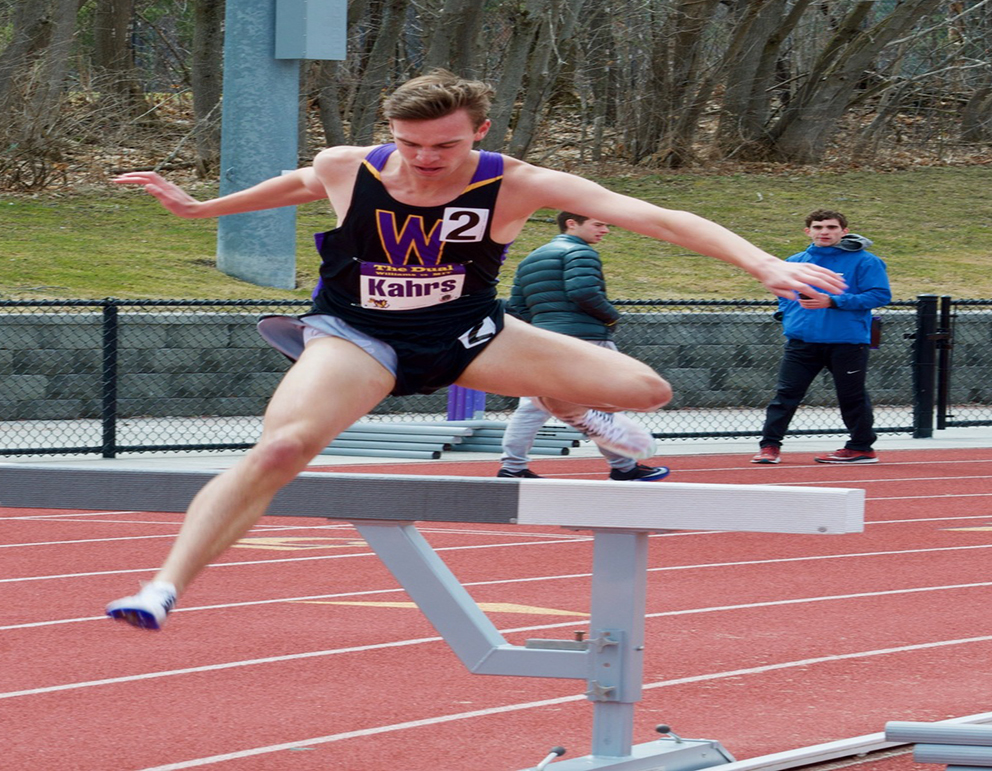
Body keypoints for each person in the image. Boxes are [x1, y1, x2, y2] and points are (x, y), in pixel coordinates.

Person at [106, 71, 844, 631]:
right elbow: (300, 181)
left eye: (446, 145)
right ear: (388, 132)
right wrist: (203, 207)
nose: (426, 159)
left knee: (646, 391)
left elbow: (659, 216)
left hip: (471, 335)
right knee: (280, 450)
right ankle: (162, 587)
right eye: (410, 143)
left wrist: (764, 265)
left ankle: (563, 405)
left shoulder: (517, 184)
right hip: (358, 338)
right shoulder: (348, 166)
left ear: (480, 133)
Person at [498, 213, 670, 482]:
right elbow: (583, 291)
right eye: (598, 224)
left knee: (532, 406)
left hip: (542, 341)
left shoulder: (531, 258)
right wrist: (611, 317)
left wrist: (543, 329)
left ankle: (512, 467)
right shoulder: (581, 252)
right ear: (571, 223)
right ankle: (624, 468)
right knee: (604, 404)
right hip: (586, 339)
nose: (606, 230)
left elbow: (516, 306)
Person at [752, 209, 892, 465]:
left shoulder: (866, 261)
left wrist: (833, 301)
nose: (824, 232)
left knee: (852, 397)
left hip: (847, 342)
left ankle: (861, 448)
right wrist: (787, 315)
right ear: (808, 231)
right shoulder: (795, 260)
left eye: (830, 227)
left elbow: (880, 295)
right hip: (802, 342)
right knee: (785, 395)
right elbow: (783, 294)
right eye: (818, 227)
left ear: (843, 231)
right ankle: (770, 447)